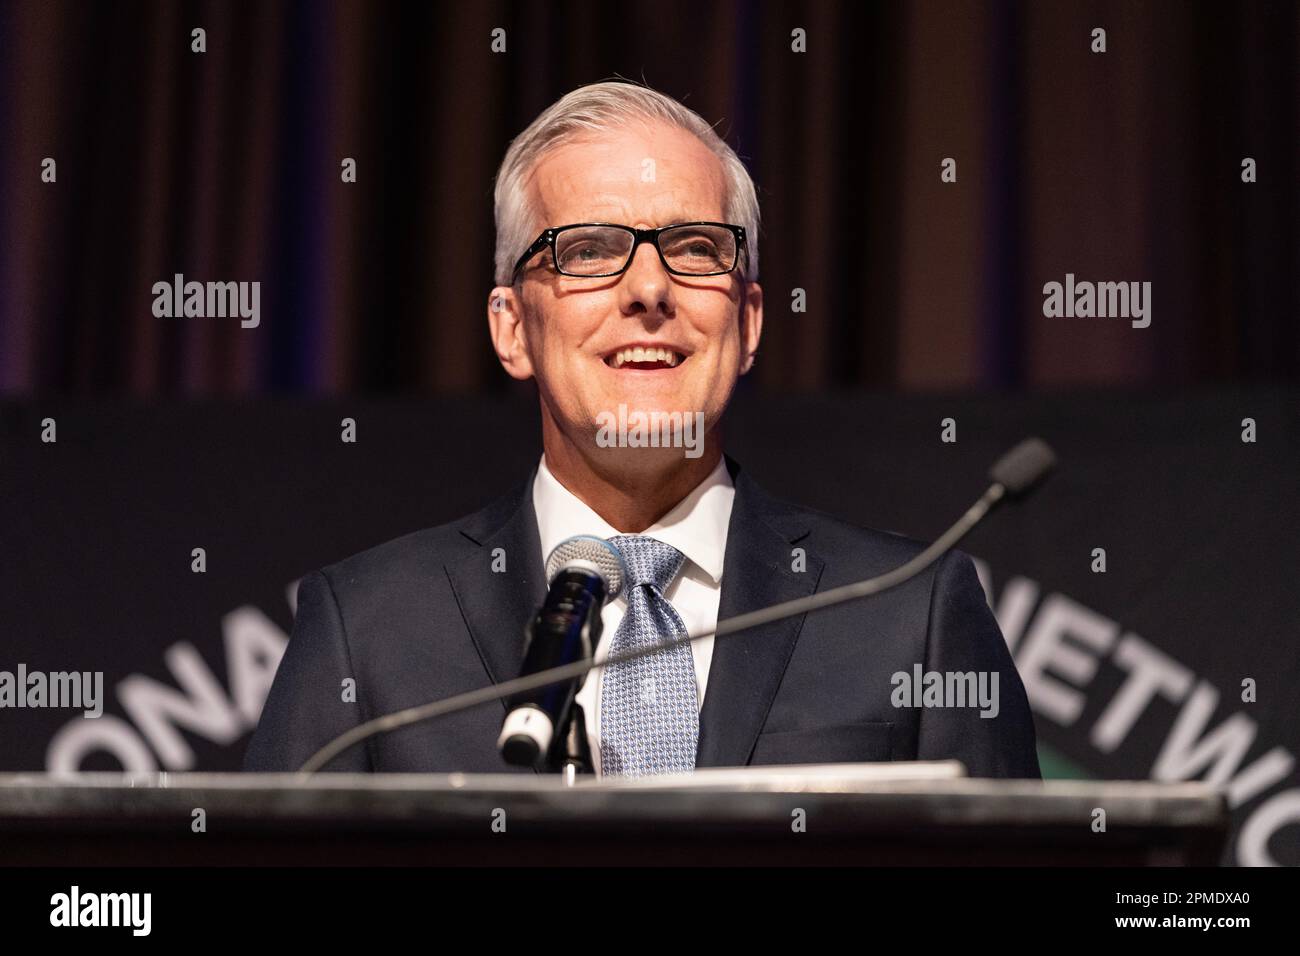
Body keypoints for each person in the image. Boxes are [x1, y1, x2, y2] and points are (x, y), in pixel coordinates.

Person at [244, 80, 1040, 778]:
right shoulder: (369, 628)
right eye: (588, 251)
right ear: (512, 327)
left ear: (750, 320)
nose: (650, 288)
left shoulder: (909, 612)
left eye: (695, 248)